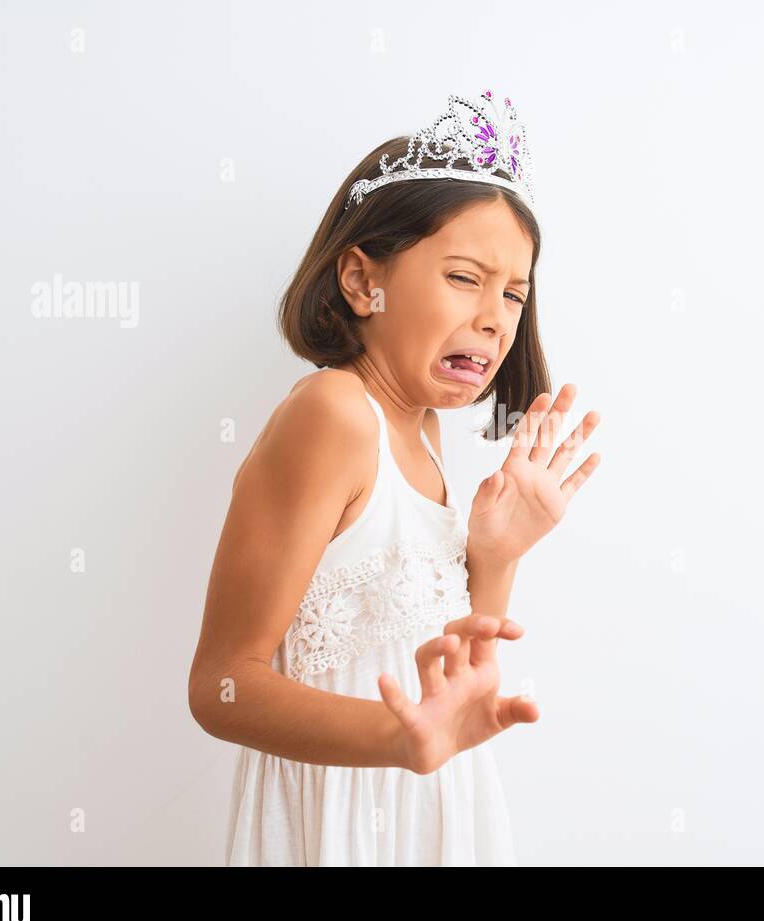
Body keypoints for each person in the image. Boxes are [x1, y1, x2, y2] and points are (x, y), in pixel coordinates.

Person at [187, 88, 601, 865]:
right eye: (464, 277)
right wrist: (398, 738)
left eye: (514, 292)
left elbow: (452, 675)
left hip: (433, 808)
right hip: (346, 816)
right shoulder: (333, 416)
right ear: (359, 280)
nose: (495, 317)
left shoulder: (428, 434)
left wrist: (498, 553)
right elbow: (220, 683)